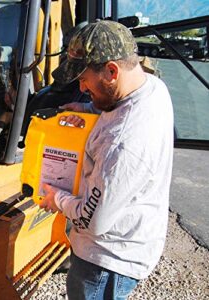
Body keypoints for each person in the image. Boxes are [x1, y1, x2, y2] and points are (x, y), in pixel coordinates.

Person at [40, 20, 174, 300]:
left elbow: (93, 221)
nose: (81, 86)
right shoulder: (152, 87)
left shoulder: (123, 143)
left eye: (84, 78)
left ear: (112, 71)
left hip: (104, 262)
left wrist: (57, 199)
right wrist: (89, 109)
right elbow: (118, 107)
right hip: (128, 241)